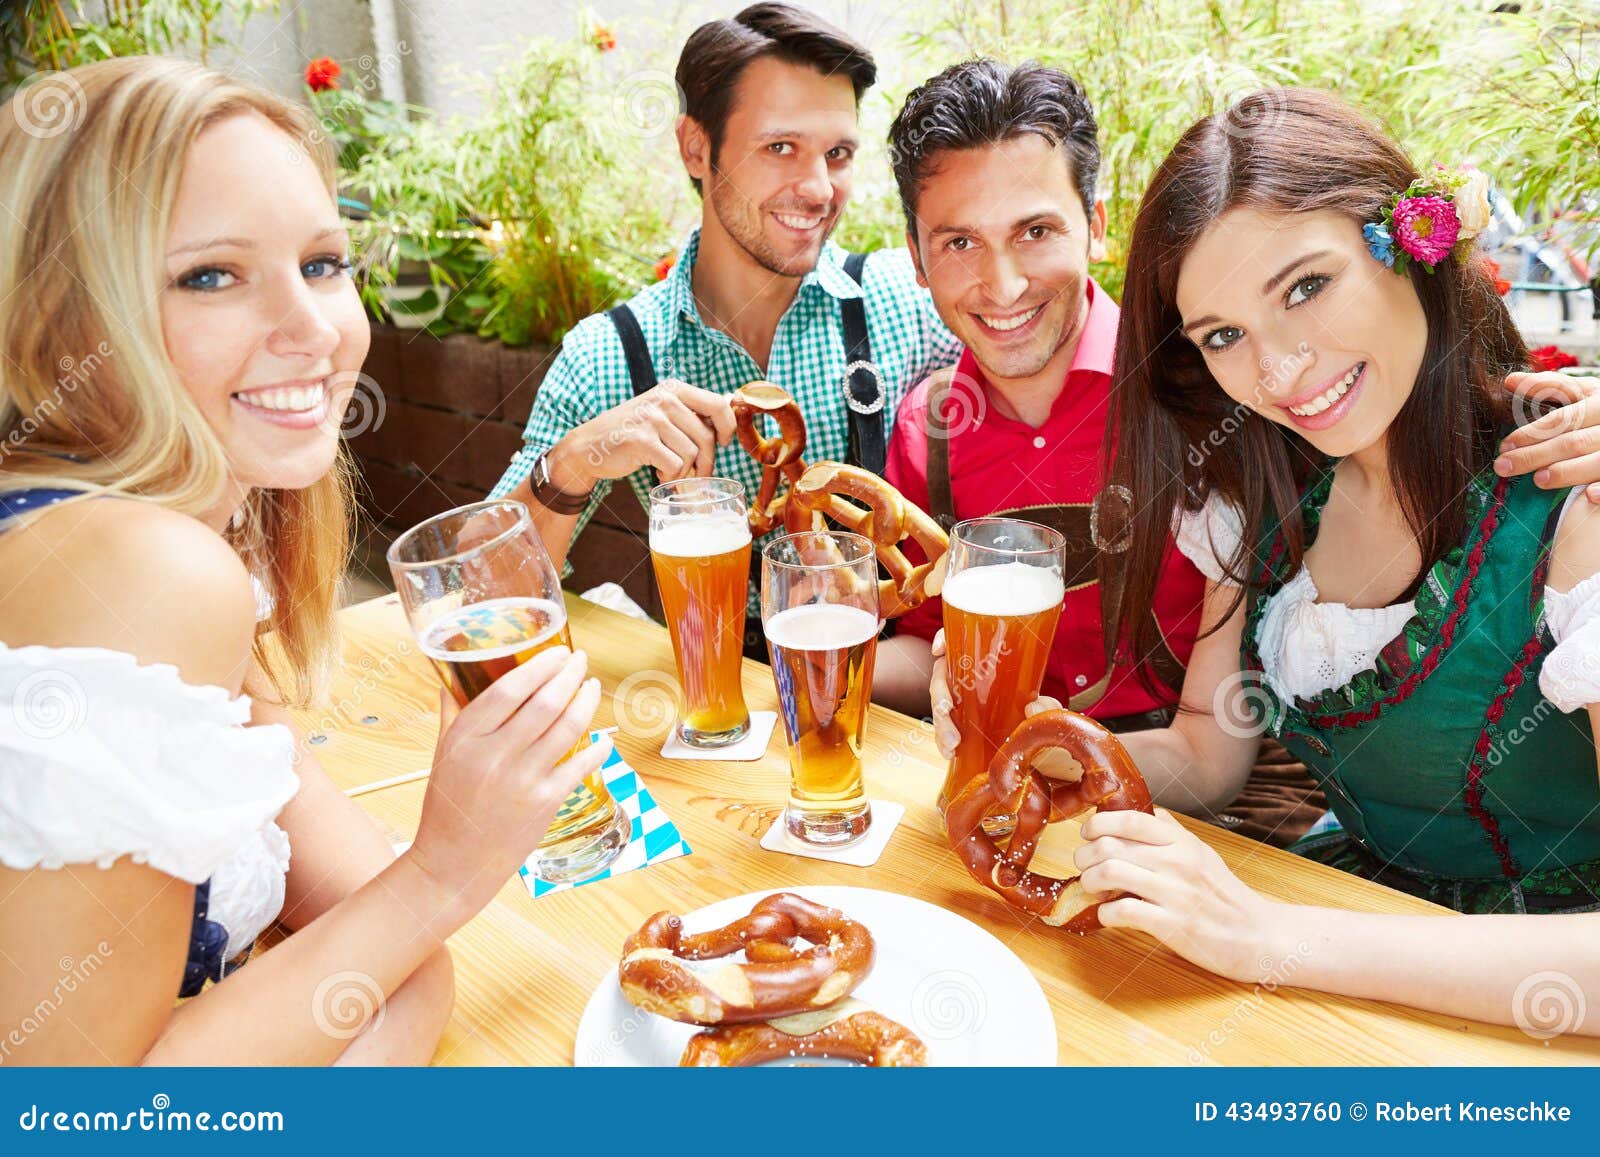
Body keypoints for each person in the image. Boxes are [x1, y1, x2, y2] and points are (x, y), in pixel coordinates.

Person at [0, 58, 610, 1064]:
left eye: (323, 262)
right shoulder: (150, 574)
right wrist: (447, 873)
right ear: (58, 326)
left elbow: (385, 941)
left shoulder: (183, 545)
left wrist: (398, 924)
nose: (315, 329)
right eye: (210, 274)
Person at [953, 88, 1600, 1032]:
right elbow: (1207, 756)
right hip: (1334, 981)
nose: (1281, 369)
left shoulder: (1576, 498)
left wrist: (1269, 933)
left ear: (1410, 247)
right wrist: (1028, 759)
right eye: (1223, 336)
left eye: (1306, 286)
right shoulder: (1262, 498)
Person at [875, 60, 1323, 844]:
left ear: (1098, 223)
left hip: (1223, 813)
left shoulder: (1213, 390)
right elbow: (919, 639)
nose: (1003, 283)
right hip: (1008, 800)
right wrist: (819, 652)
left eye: (1035, 231)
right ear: (916, 258)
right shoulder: (927, 429)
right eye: (958, 243)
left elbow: (1214, 759)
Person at [491, 3, 959, 592]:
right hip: (716, 677)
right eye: (780, 147)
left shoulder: (907, 302)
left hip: (889, 676)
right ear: (695, 147)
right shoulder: (608, 357)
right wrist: (573, 461)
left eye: (837, 154)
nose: (818, 189)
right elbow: (483, 584)